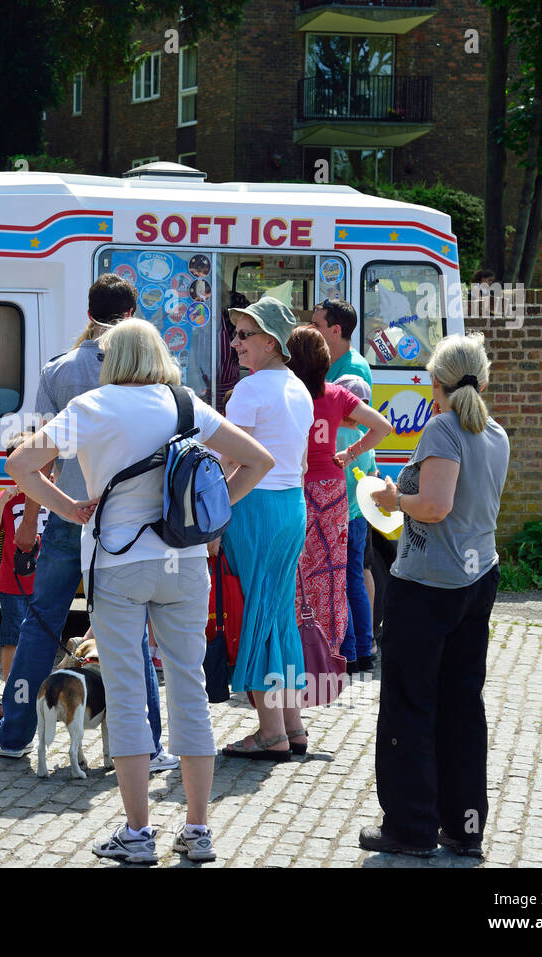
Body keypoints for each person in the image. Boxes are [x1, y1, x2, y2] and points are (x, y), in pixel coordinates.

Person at [8, 318, 273, 864]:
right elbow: (260, 460)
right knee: (189, 689)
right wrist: (211, 517)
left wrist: (69, 509)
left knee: (128, 692)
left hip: (116, 562)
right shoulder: (184, 404)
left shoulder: (91, 406)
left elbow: (20, 464)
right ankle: (198, 831)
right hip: (183, 564)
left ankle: (137, 833)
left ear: (114, 359)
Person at [0, 275, 176, 774]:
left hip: (65, 512)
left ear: (89, 311)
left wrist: (33, 516)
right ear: (133, 313)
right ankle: (150, 742)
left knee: (41, 623)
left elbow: (38, 459)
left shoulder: (59, 372)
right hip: (125, 522)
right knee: (129, 631)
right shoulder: (152, 374)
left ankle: (15, 734)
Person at [360, 333, 509, 859]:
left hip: (427, 587)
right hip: (476, 579)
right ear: (483, 381)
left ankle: (410, 827)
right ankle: (465, 827)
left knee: (409, 705)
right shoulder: (495, 432)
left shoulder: (444, 428)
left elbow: (435, 506)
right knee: (462, 706)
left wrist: (390, 495)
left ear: (434, 384)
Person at [217, 297, 311, 761]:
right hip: (292, 505)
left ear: (270, 341)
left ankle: (271, 732)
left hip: (255, 505)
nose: (234, 343)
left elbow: (228, 459)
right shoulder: (298, 387)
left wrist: (212, 513)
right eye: (234, 334)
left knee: (258, 614)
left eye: (243, 334)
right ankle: (292, 727)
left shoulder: (250, 391)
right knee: (277, 614)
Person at [285, 328, 392, 683]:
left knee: (298, 573)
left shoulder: (290, 394)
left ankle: (302, 649)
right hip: (331, 488)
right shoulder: (337, 395)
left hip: (298, 487)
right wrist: (352, 452)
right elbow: (382, 426)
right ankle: (337, 651)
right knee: (334, 574)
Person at [310, 298, 377, 670]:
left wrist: (348, 457)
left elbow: (361, 427)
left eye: (318, 325)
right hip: (341, 483)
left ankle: (359, 651)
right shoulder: (336, 365)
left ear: (336, 330)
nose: (314, 330)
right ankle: (356, 647)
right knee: (349, 569)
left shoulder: (353, 370)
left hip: (346, 487)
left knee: (349, 570)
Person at [0, 431, 49, 682]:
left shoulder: (49, 493)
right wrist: (1, 503)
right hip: (13, 583)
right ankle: (11, 683)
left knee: (42, 634)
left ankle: (38, 682)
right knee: (12, 635)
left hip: (45, 581)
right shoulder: (5, 497)